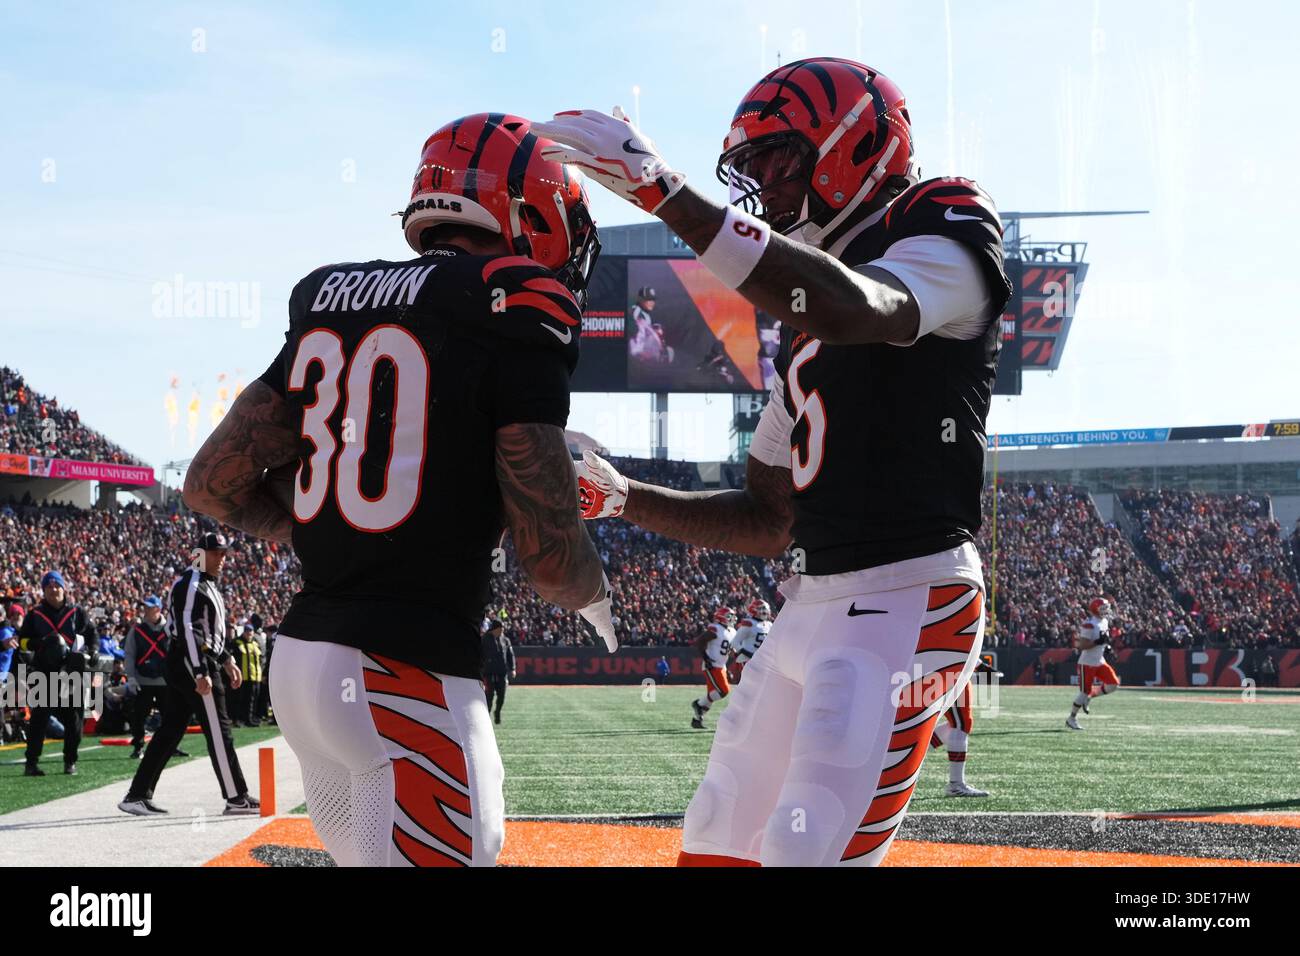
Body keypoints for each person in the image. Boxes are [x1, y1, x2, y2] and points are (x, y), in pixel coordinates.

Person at [546, 56, 1011, 866]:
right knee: (716, 836)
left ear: (857, 143)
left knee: (808, 846)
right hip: (808, 603)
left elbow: (858, 305)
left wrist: (661, 189)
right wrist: (623, 496)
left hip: (909, 595)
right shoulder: (802, 324)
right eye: (752, 166)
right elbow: (769, 515)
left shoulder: (940, 216)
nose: (763, 183)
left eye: (780, 158)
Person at [182, 113, 615, 867]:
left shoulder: (334, 297)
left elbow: (210, 485)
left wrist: (314, 530)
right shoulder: (511, 306)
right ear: (528, 210)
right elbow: (551, 562)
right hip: (404, 672)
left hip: (305, 666)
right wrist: (596, 582)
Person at [118, 533, 260, 816]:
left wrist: (227, 658)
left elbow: (207, 635)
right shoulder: (192, 584)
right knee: (219, 730)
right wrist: (200, 670)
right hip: (191, 662)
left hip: (193, 661)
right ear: (200, 553)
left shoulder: (205, 584)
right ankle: (236, 796)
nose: (222, 558)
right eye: (216, 553)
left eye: (223, 553)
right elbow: (188, 631)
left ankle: (137, 795)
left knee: (171, 728)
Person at [20, 570, 97, 776]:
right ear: (44, 590)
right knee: (39, 720)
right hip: (44, 672)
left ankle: (70, 760)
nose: (54, 589)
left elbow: (91, 634)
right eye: (49, 586)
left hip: (71, 672)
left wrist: (92, 652)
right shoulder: (35, 614)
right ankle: (31, 762)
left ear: (64, 588)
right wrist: (41, 643)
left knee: (74, 719)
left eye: (57, 585)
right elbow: (23, 641)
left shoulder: (77, 612)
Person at [121, 596, 169, 759]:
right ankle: (138, 746)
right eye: (145, 608)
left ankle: (171, 745)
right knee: (139, 716)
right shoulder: (137, 630)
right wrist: (131, 677)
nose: (146, 610)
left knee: (170, 715)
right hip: (143, 680)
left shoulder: (171, 628)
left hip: (166, 680)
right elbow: (130, 655)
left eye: (150, 607)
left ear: (158, 609)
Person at [1067, 598, 1120, 730]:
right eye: (1103, 608)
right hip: (1087, 663)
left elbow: (1103, 640)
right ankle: (1071, 718)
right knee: (1084, 692)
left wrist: (1106, 646)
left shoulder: (1105, 622)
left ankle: (1091, 696)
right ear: (1096, 609)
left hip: (1099, 660)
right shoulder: (1089, 624)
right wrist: (1097, 642)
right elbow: (1081, 645)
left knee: (1113, 684)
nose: (1106, 611)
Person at [691, 607, 736, 729]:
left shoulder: (732, 631)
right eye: (729, 616)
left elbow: (728, 649)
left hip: (722, 665)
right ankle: (698, 704)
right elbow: (700, 641)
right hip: (712, 665)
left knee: (712, 694)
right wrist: (706, 659)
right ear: (721, 617)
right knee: (723, 691)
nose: (732, 619)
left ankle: (697, 719)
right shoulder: (715, 628)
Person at [479, 620, 515, 725]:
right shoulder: (484, 640)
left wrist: (512, 668)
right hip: (488, 673)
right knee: (488, 696)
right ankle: (487, 718)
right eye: (500, 629)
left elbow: (510, 655)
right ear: (495, 629)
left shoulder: (506, 640)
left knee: (501, 696)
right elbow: (479, 656)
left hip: (501, 673)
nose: (501, 631)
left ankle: (497, 712)